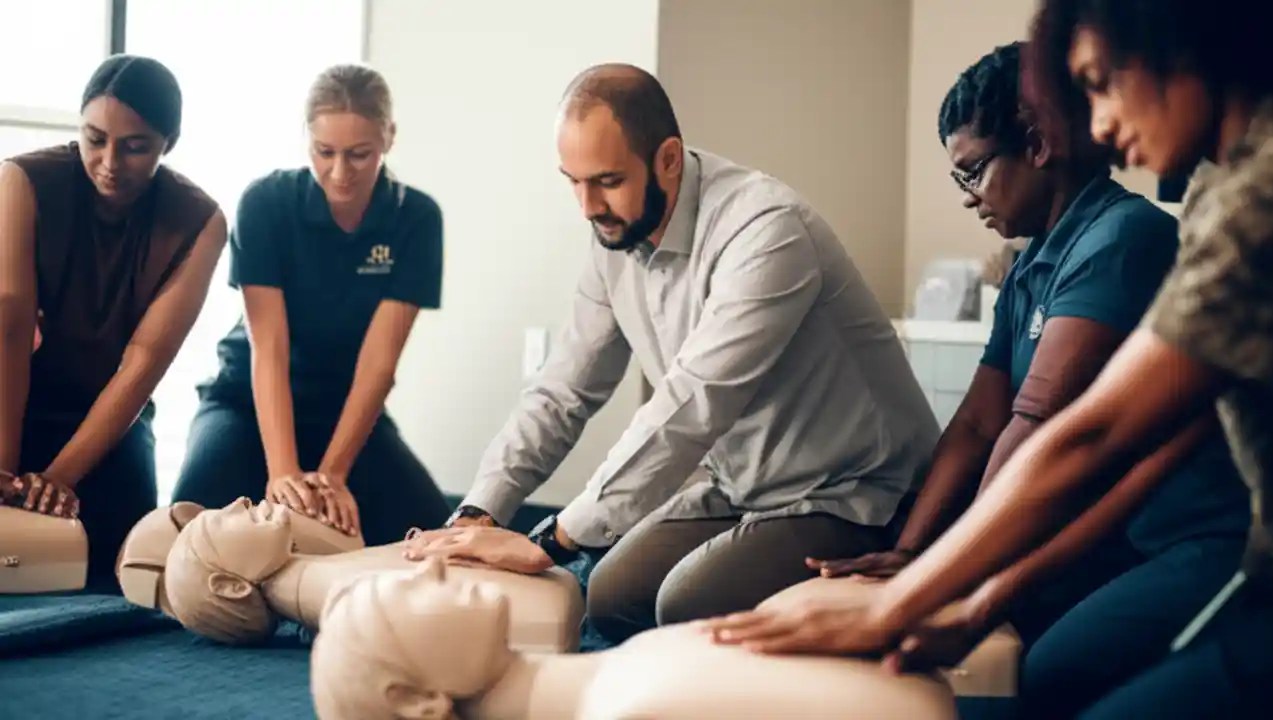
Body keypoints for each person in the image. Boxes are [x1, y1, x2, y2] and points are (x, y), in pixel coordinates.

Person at [704, 1, 1273, 717]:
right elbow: (1015, 425)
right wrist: (933, 570)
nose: (1097, 123)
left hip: (1209, 550)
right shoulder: (1210, 196)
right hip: (1215, 547)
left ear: (1180, 45)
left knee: (1041, 686)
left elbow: (1083, 435)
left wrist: (914, 595)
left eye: (1101, 82)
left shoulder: (1221, 209)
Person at [403, 63, 940, 645]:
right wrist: (478, 513)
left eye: (606, 181)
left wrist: (550, 542)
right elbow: (563, 390)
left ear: (668, 159)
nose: (586, 206)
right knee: (609, 598)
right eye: (573, 182)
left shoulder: (766, 230)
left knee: (683, 602)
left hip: (856, 495)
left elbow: (691, 406)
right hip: (744, 487)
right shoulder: (613, 233)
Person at [171, 64, 450, 546]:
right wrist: (283, 473)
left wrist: (332, 476)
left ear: (389, 137)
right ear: (306, 140)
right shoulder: (265, 203)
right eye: (325, 153)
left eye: (360, 155)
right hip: (245, 403)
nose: (340, 173)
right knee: (190, 524)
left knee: (430, 530)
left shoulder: (416, 218)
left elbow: (379, 365)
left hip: (346, 412)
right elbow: (270, 350)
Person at [0, 55, 226, 591]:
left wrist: (58, 479)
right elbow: (8, 328)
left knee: (115, 556)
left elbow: (144, 361)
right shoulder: (21, 181)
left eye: (135, 146)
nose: (108, 161)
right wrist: (4, 468)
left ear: (168, 141)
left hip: (110, 419)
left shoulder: (201, 221)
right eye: (94, 137)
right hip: (12, 399)